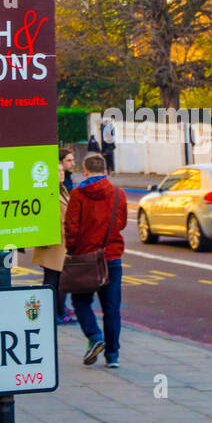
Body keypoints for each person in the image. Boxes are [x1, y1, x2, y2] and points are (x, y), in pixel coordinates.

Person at [64, 151, 128, 368]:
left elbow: (71, 228)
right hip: (112, 258)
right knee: (112, 308)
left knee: (80, 302)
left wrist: (73, 249)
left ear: (85, 172)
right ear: (106, 171)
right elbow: (122, 223)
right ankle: (113, 356)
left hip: (85, 258)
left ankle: (95, 336)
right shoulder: (119, 194)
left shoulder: (78, 194)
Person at [32, 157, 76, 324]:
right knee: (52, 280)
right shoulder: (48, 192)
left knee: (60, 281)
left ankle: (59, 313)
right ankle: (52, 315)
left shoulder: (62, 190)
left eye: (61, 171)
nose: (60, 174)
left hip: (62, 243)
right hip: (53, 243)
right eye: (57, 171)